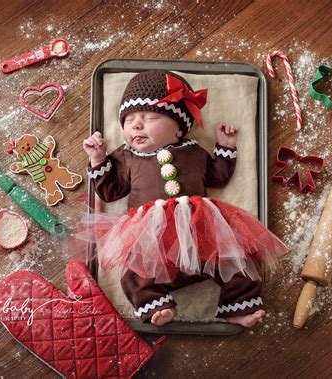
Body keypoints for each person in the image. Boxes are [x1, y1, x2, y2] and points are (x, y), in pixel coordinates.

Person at [82, 70, 287, 327]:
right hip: (152, 237)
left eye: (150, 117)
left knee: (237, 260)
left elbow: (218, 177)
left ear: (179, 129)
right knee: (135, 276)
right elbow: (109, 191)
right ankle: (158, 304)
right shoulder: (126, 156)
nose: (136, 125)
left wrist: (225, 145)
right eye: (129, 119)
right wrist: (98, 158)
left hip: (200, 229)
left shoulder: (193, 151)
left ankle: (236, 307)